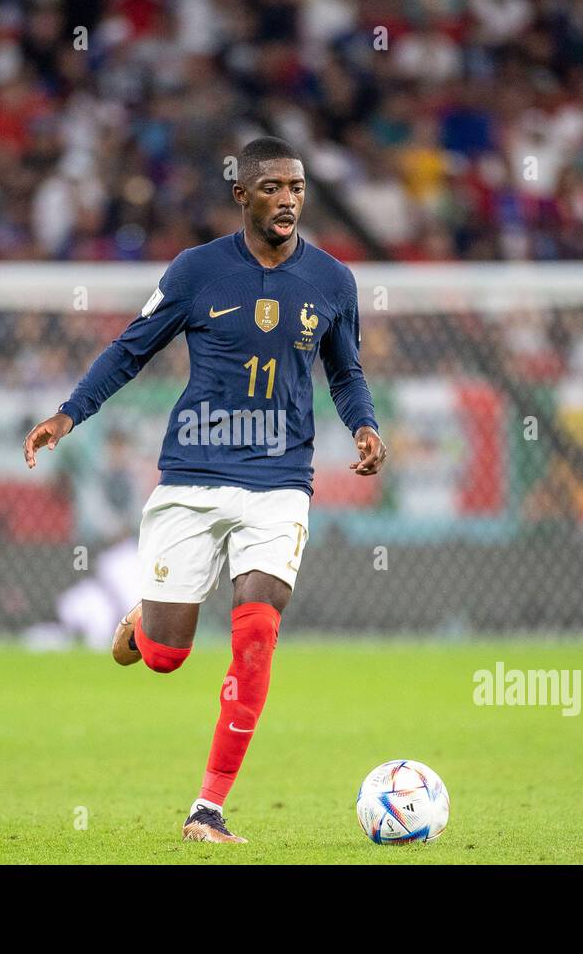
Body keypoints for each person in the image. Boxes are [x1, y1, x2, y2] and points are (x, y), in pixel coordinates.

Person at [22, 136, 387, 843]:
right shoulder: (197, 272)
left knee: (257, 629)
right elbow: (132, 348)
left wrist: (364, 426)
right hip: (193, 475)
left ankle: (208, 809)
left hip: (281, 480)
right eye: (274, 187)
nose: (289, 199)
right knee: (165, 656)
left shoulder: (334, 281)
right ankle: (142, 625)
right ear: (242, 195)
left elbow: (345, 372)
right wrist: (68, 414)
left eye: (298, 188)